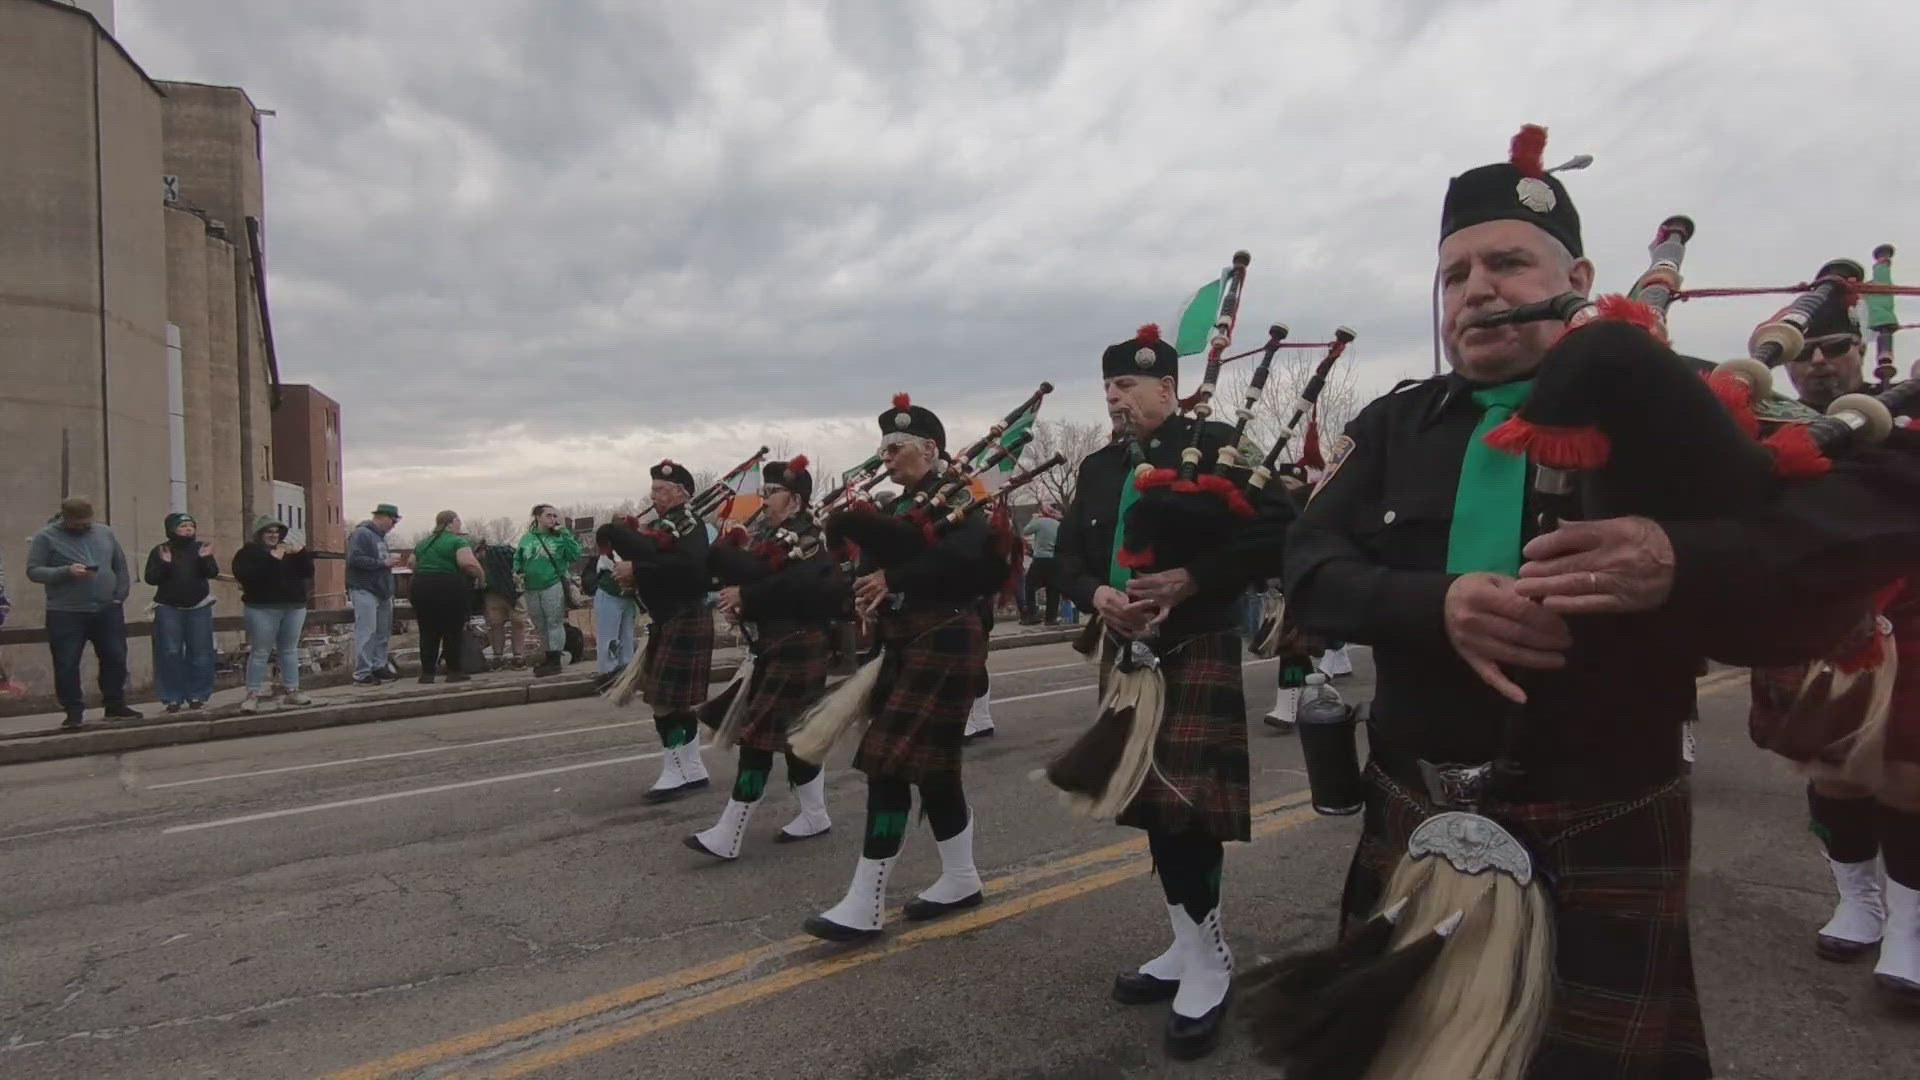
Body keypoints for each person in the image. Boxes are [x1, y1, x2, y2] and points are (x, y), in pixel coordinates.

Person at [1281, 126, 1920, 1078]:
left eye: (1506, 263)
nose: (1477, 290)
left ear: (1574, 274)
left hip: (1604, 815)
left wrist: (1684, 556)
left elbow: (1887, 496)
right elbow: (1311, 564)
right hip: (1415, 804)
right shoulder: (1395, 424)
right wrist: (1435, 605)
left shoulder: (1686, 397)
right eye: (1454, 275)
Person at [1049, 324, 1294, 1060]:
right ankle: (1187, 944)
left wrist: (1194, 579)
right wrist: (1096, 593)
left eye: (1126, 387)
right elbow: (1066, 556)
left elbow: (1283, 532)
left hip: (1195, 643)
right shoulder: (1097, 468)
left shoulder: (1222, 445)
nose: (1115, 400)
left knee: (1190, 811)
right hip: (1125, 649)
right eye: (1109, 389)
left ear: (1168, 388)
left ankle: (1211, 959)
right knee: (1151, 807)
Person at [1745, 295, 1920, 1002]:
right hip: (1812, 616)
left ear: (1861, 352)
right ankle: (1859, 899)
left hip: (1907, 613)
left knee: (1908, 776)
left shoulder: (1902, 417)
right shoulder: (1768, 431)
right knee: (1832, 766)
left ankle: (1910, 923)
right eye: (1807, 349)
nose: (1820, 359)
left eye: (1837, 346)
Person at [800, 393, 1003, 944]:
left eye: (896, 448)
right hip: (901, 643)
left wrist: (897, 580)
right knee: (933, 769)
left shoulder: (961, 498)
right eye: (883, 449)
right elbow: (868, 569)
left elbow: (968, 564)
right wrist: (862, 591)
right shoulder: (894, 509)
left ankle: (866, 901)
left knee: (889, 765)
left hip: (946, 640)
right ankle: (961, 877)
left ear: (930, 449)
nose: (886, 458)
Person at [689, 455, 840, 858]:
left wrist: (749, 596)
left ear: (795, 500)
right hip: (777, 647)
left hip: (798, 646)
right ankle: (815, 814)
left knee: (756, 740)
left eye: (772, 492)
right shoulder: (775, 536)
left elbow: (801, 588)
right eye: (765, 491)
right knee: (793, 739)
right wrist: (744, 604)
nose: (764, 498)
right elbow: (770, 582)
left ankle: (729, 832)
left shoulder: (809, 537)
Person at [612, 463, 715, 800]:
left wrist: (637, 568)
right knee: (677, 703)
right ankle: (693, 767)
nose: (653, 495)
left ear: (681, 493)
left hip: (684, 616)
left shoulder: (691, 525)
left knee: (662, 701)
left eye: (660, 489)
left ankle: (674, 770)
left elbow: (691, 570)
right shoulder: (664, 527)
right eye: (653, 488)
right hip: (669, 619)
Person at [27, 498, 139, 729]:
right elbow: (34, 571)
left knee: (115, 657)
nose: (83, 527)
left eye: (86, 522)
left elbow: (119, 566)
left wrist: (119, 595)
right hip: (66, 612)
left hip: (106, 608)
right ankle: (73, 710)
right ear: (65, 518)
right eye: (77, 523)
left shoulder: (105, 533)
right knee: (67, 662)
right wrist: (65, 571)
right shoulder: (45, 537)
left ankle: (115, 704)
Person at [231, 516, 316, 711]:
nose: (273, 536)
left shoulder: (288, 552)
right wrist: (272, 560)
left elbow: (307, 572)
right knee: (260, 651)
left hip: (293, 607)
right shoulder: (248, 553)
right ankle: (253, 694)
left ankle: (292, 690)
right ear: (260, 534)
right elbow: (247, 576)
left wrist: (301, 552)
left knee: (289, 650)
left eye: (277, 532)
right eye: (269, 532)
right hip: (262, 608)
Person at [143, 512, 219, 712]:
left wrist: (205, 559)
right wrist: (165, 564)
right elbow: (151, 578)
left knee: (201, 651)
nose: (188, 529)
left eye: (191, 526)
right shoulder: (160, 550)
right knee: (170, 651)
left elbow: (211, 572)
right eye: (183, 526)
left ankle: (198, 694)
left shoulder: (200, 548)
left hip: (199, 605)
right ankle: (172, 697)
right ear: (171, 530)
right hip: (169, 606)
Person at [411, 511, 486, 685]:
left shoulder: (423, 542)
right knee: (452, 630)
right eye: (458, 520)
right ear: (451, 523)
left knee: (427, 630)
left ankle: (427, 673)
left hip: (421, 587)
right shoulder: (457, 541)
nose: (460, 523)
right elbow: (467, 563)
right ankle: (454, 671)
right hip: (448, 586)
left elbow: (412, 564)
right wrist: (481, 577)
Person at [514, 504, 583, 678]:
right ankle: (548, 656)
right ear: (537, 517)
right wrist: (517, 572)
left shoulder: (560, 537)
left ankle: (555, 659)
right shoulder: (526, 539)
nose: (553, 519)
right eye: (549, 515)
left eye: (555, 516)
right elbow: (518, 559)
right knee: (540, 624)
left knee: (554, 622)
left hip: (552, 584)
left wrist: (566, 534)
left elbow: (574, 554)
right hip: (531, 587)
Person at [346, 504, 402, 685]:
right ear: (383, 517)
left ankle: (379, 666)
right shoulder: (362, 533)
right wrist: (383, 563)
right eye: (393, 521)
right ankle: (362, 673)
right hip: (364, 588)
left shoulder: (380, 537)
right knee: (367, 631)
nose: (393, 525)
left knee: (382, 632)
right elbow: (354, 558)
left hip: (382, 590)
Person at [591, 518, 641, 685]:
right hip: (610, 596)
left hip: (626, 597)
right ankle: (608, 671)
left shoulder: (629, 549)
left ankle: (625, 667)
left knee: (627, 635)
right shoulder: (609, 552)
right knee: (609, 637)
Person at [474, 537, 531, 668]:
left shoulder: (483, 558)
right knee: (518, 624)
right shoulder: (508, 553)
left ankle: (498, 657)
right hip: (515, 593)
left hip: (492, 594)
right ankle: (518, 657)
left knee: (496, 626)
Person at [1020, 504, 1061, 625]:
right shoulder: (1057, 524)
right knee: (1053, 589)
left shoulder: (1039, 522)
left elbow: (1025, 531)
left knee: (1029, 586)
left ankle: (1032, 615)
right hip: (1054, 560)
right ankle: (1051, 618)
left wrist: (1034, 518)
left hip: (1040, 560)